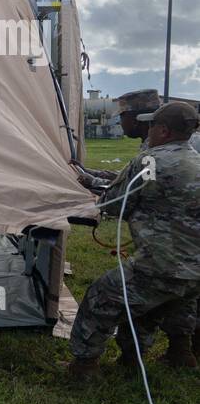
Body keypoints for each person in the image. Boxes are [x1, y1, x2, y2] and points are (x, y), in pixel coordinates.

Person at [69, 101, 200, 376]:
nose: (148, 131)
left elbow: (114, 204)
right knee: (164, 304)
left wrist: (96, 195)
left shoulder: (150, 160)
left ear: (162, 130)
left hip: (162, 264)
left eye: (151, 125)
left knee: (100, 298)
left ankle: (84, 366)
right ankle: (177, 353)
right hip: (195, 268)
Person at [75, 88, 159, 188]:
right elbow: (128, 175)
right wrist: (90, 172)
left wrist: (94, 182)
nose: (120, 123)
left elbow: (138, 189)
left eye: (121, 117)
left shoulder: (151, 153)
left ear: (135, 121)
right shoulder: (153, 145)